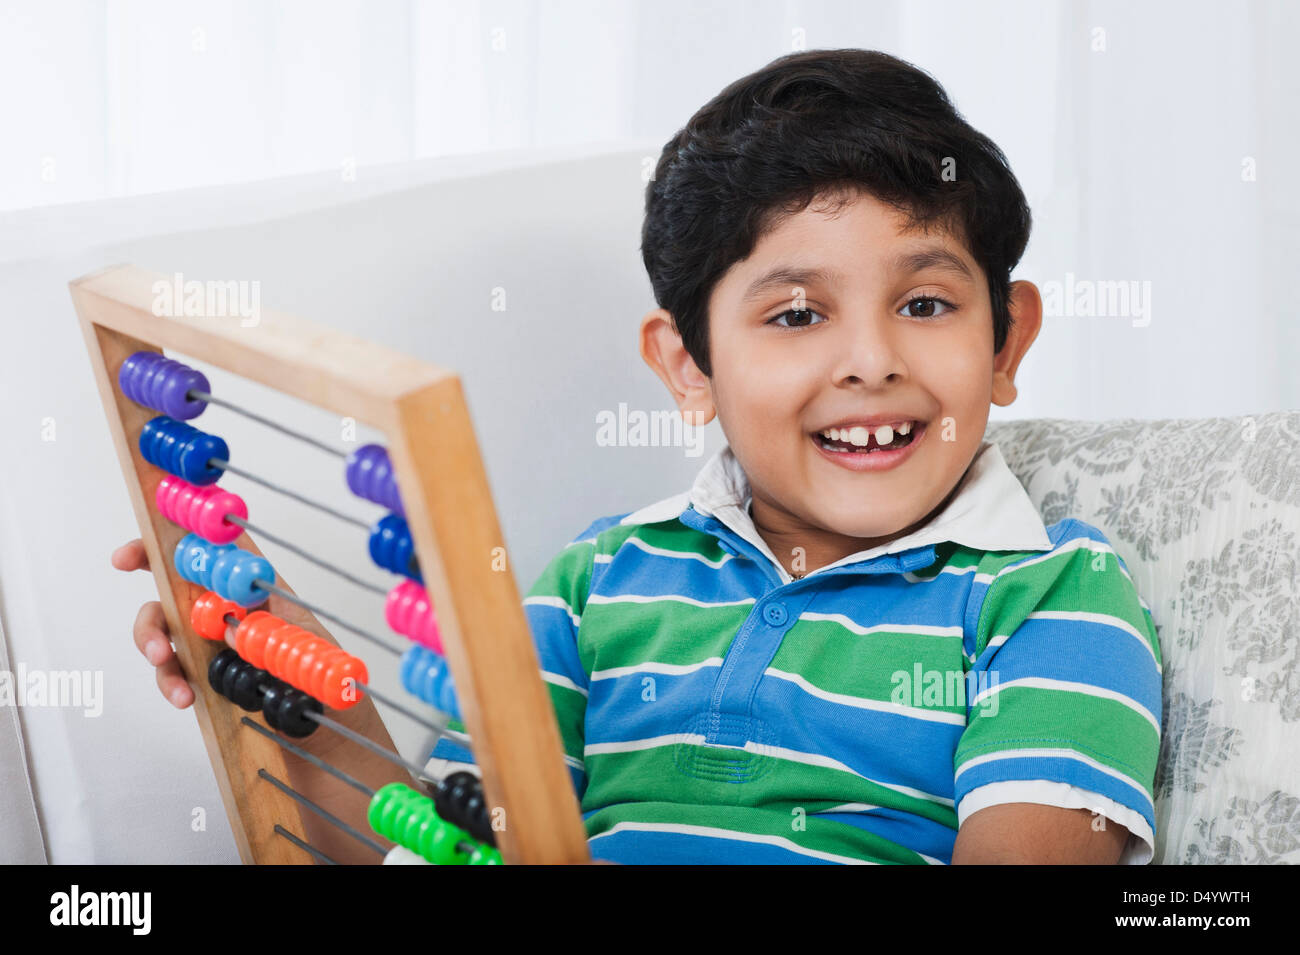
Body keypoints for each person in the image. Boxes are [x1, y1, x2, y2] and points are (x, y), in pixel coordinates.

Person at [120, 48, 1162, 865]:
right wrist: (308, 685)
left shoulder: (1052, 598)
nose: (868, 362)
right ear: (688, 366)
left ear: (1006, 340)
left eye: (925, 303)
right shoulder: (592, 583)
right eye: (797, 314)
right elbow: (442, 847)